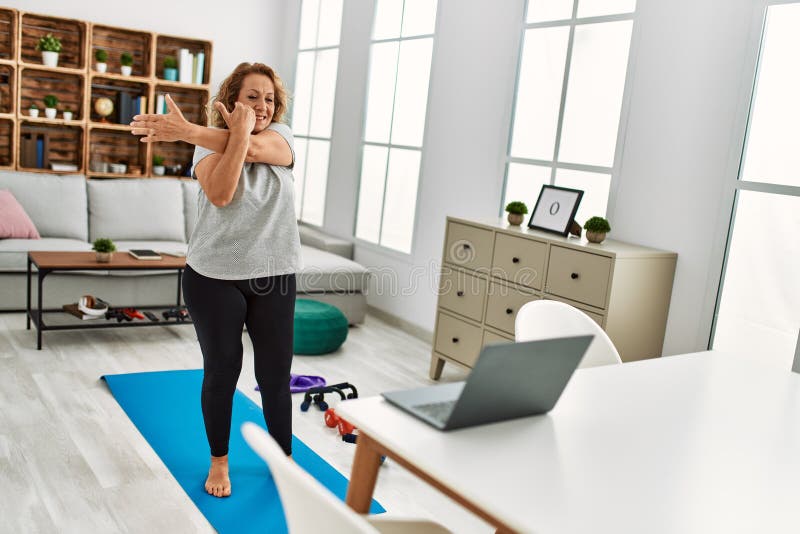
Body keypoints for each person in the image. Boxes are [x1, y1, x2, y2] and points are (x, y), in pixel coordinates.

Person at [130, 62, 301, 498]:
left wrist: (187, 129)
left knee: (276, 374)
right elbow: (223, 194)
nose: (262, 106)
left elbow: (261, 152)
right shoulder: (206, 151)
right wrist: (214, 135)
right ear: (230, 102)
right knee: (223, 371)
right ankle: (219, 462)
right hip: (214, 275)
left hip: (274, 273)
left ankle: (284, 461)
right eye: (251, 97)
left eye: (268, 98)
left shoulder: (283, 138)